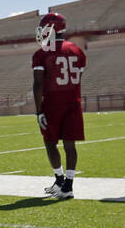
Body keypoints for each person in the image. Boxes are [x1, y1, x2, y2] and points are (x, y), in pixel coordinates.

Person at [31, 12, 86, 199]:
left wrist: (39, 111)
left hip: (52, 103)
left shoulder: (42, 53)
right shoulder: (77, 50)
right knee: (70, 144)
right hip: (74, 102)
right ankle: (66, 184)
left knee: (50, 142)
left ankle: (60, 179)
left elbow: (38, 83)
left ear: (51, 29)